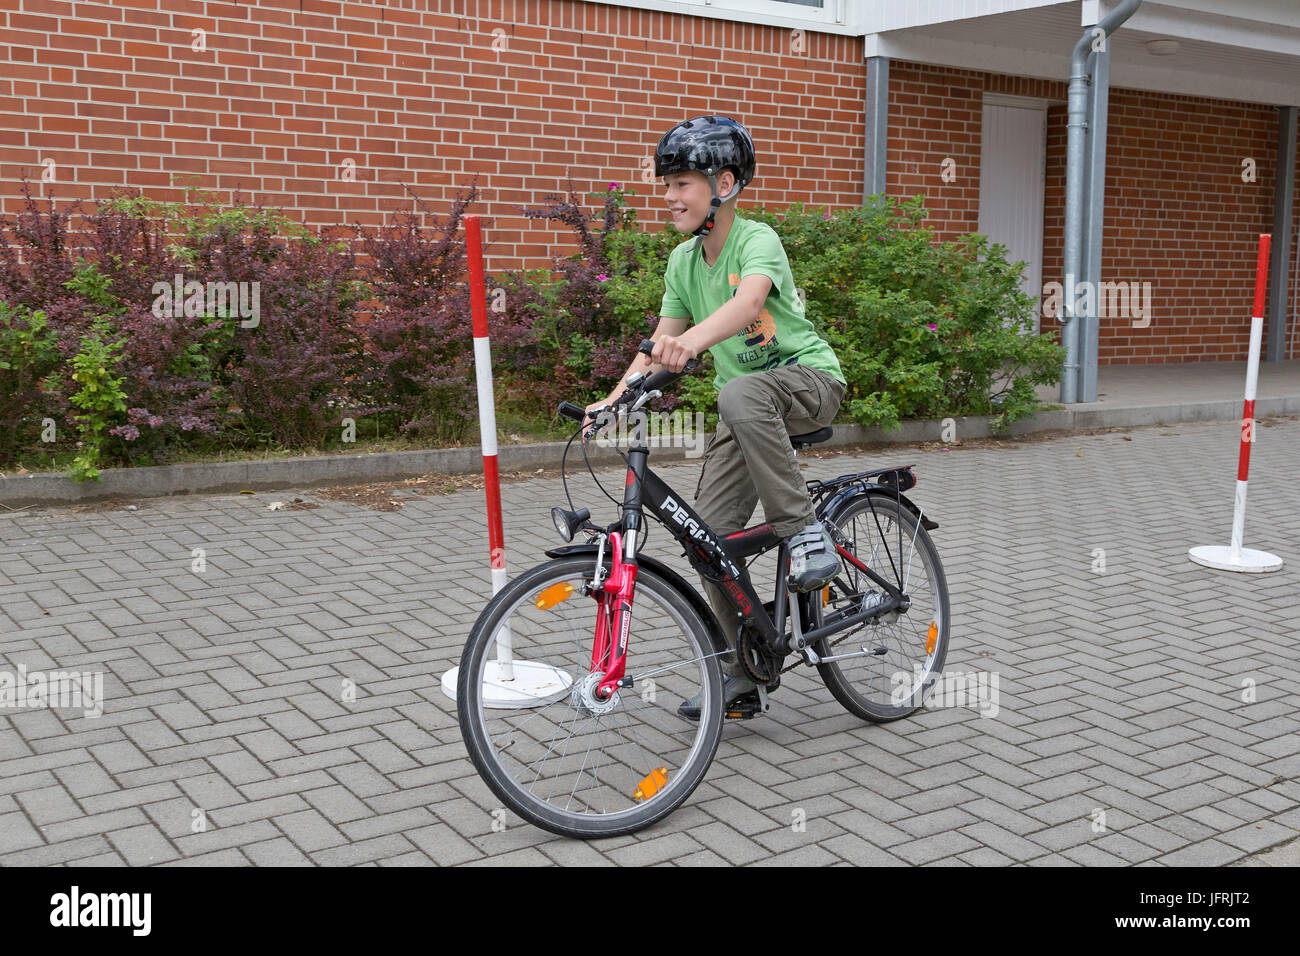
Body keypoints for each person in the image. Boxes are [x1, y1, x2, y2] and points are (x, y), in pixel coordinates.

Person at [587, 114, 847, 718]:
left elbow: (748, 301)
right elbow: (658, 342)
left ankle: (803, 531)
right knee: (708, 540)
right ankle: (745, 668)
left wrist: (694, 344)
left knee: (739, 393)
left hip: (807, 382)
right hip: (748, 409)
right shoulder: (682, 262)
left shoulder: (757, 240)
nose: (670, 196)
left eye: (683, 183)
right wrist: (614, 398)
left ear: (723, 185)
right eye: (666, 184)